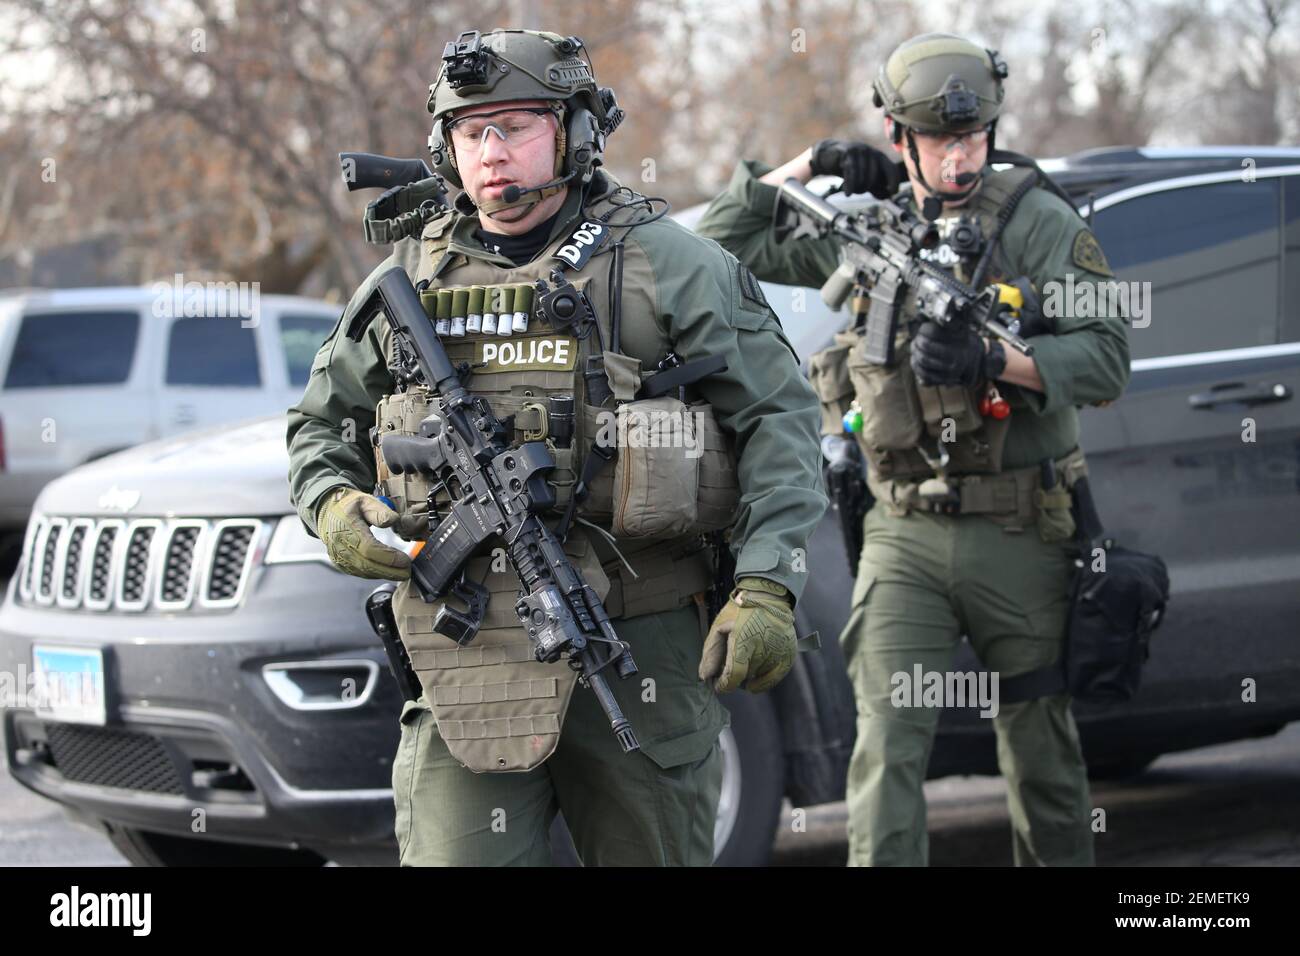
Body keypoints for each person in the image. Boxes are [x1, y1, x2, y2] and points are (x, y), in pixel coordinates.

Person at [286, 28, 826, 866]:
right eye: (472, 133)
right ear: (446, 149)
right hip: (469, 655)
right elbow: (321, 424)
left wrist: (767, 587)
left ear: (574, 131)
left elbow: (782, 421)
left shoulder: (666, 264)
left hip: (639, 645)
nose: (492, 152)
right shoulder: (410, 279)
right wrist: (333, 508)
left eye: (516, 126)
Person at [696, 32, 1131, 866]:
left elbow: (1109, 355)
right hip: (903, 536)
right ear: (899, 138)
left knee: (1041, 752)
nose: (960, 157)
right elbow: (726, 241)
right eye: (939, 140)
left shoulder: (1036, 221)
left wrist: (996, 359)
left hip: (1021, 527)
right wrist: (805, 163)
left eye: (973, 137)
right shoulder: (876, 227)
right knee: (886, 747)